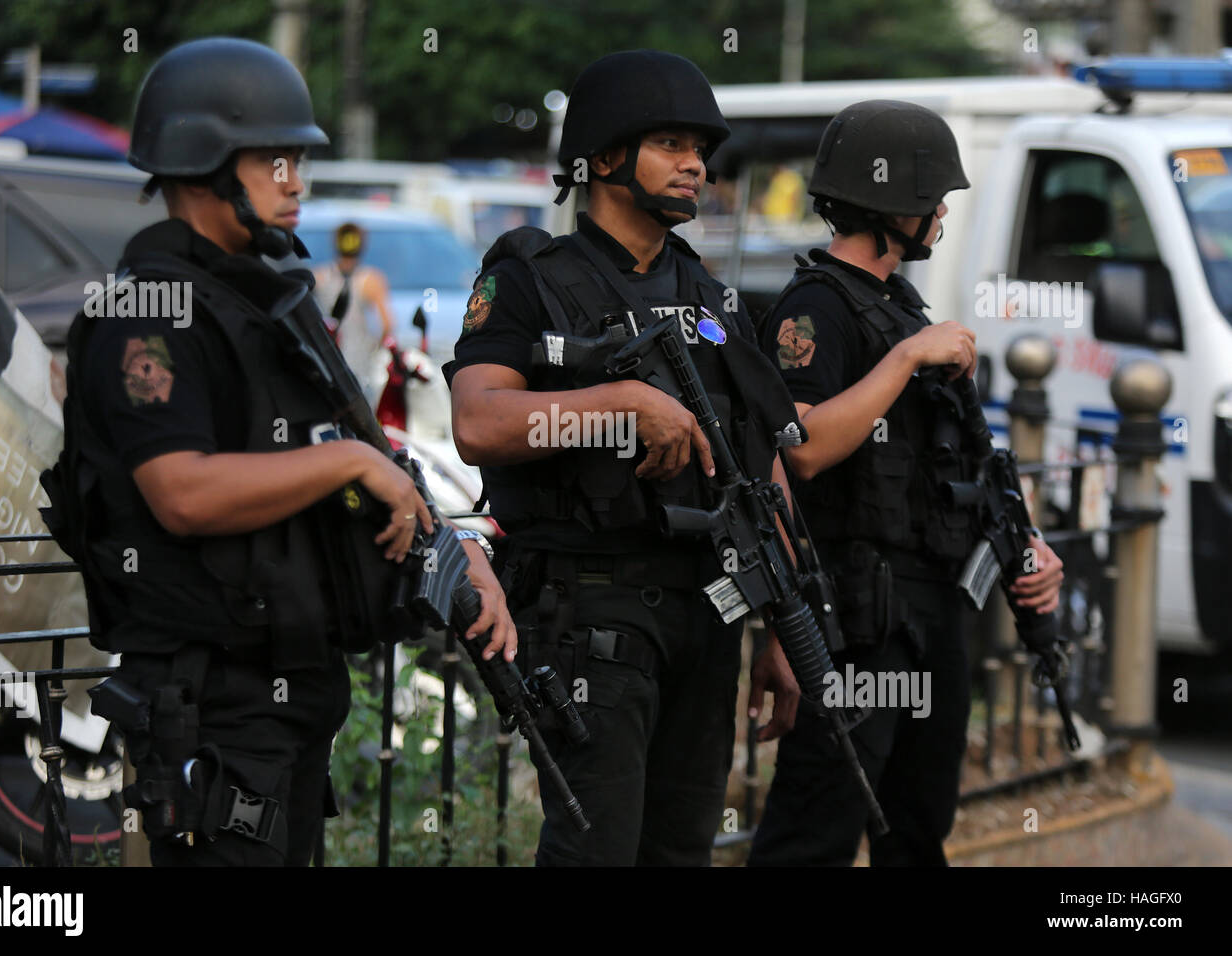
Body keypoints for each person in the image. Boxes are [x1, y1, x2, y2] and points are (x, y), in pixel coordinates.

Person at [42, 36, 513, 866]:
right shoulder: (147, 312)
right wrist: (354, 467)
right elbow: (180, 492)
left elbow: (357, 447)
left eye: (297, 159)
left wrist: (449, 546)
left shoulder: (269, 300)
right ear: (201, 163)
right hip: (213, 699)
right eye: (274, 160)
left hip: (292, 688)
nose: (296, 181)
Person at [445, 49, 801, 866]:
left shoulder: (712, 297)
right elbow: (479, 423)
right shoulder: (531, 277)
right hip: (591, 619)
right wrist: (619, 405)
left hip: (708, 614)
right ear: (603, 157)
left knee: (681, 854)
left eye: (700, 149)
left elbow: (760, 472)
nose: (696, 164)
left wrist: (783, 623)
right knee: (596, 853)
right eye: (671, 143)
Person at [748, 100, 1065, 866]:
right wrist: (905, 361)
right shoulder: (816, 308)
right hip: (858, 617)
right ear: (894, 208)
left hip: (931, 606)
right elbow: (801, 449)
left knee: (920, 826)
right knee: (815, 831)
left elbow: (949, 462)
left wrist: (1028, 546)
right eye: (934, 200)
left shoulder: (900, 306)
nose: (944, 213)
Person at [311, 222, 397, 397]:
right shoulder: (371, 280)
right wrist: (374, 350)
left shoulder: (318, 276)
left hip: (325, 360)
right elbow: (388, 325)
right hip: (359, 362)